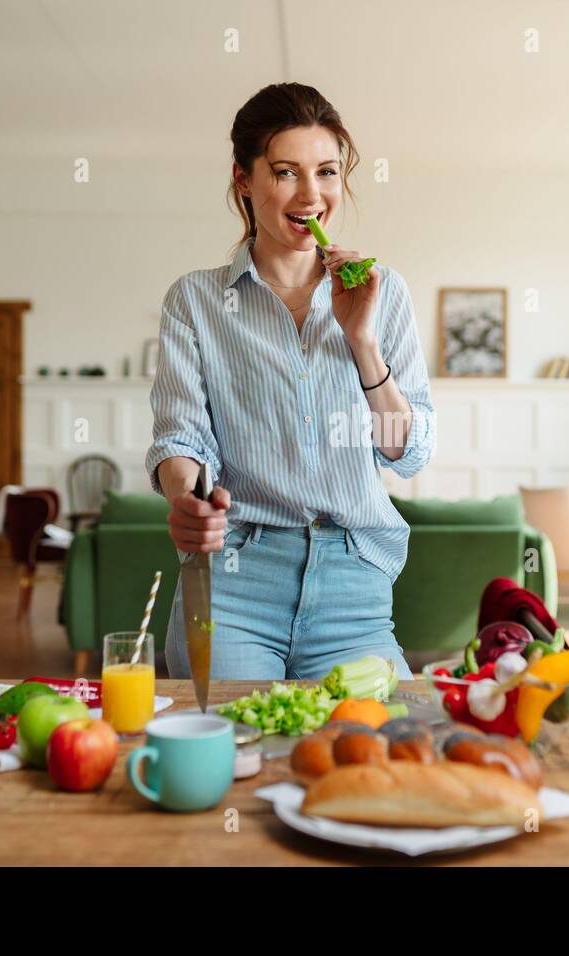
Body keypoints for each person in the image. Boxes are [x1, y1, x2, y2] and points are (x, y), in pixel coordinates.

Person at [146, 82, 434, 681]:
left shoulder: (385, 292)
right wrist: (187, 499)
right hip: (234, 585)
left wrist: (363, 341)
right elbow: (181, 440)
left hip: (354, 583)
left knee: (383, 757)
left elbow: (409, 452)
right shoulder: (196, 300)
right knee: (233, 759)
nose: (311, 194)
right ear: (244, 181)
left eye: (327, 171)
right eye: (285, 172)